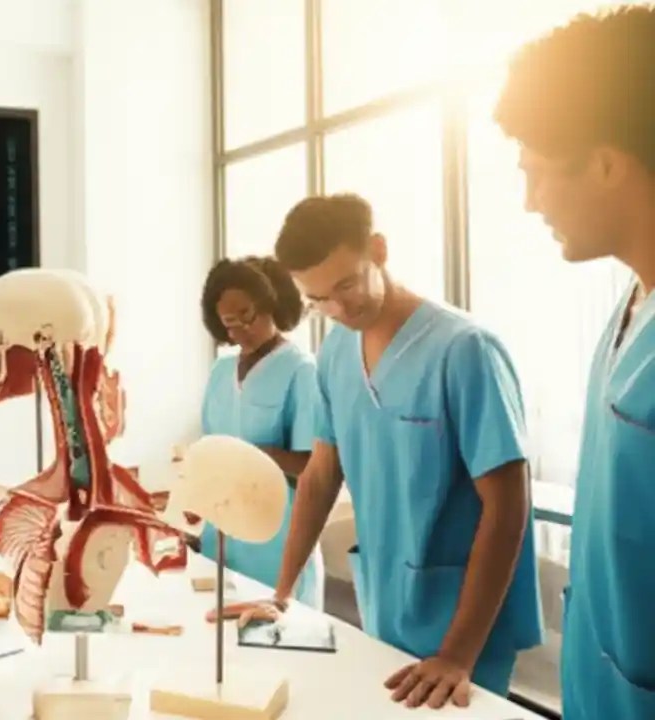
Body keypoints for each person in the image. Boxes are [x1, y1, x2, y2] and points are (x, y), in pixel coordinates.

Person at [243, 194, 543, 708]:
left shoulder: (464, 349)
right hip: (385, 606)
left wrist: (458, 655)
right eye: (319, 300)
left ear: (378, 251)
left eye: (347, 285)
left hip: (464, 620)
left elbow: (508, 503)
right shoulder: (336, 352)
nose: (338, 310)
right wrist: (282, 594)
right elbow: (321, 475)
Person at [496, 8, 655, 719]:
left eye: (534, 173)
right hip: (604, 682)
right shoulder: (630, 309)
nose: (530, 202)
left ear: (605, 163)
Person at [196, 255, 324, 610]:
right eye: (229, 322)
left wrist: (254, 457)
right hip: (222, 537)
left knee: (277, 631)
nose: (240, 330)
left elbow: (314, 467)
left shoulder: (300, 370)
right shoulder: (221, 372)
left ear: (272, 304)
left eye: (247, 315)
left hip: (278, 541)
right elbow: (208, 448)